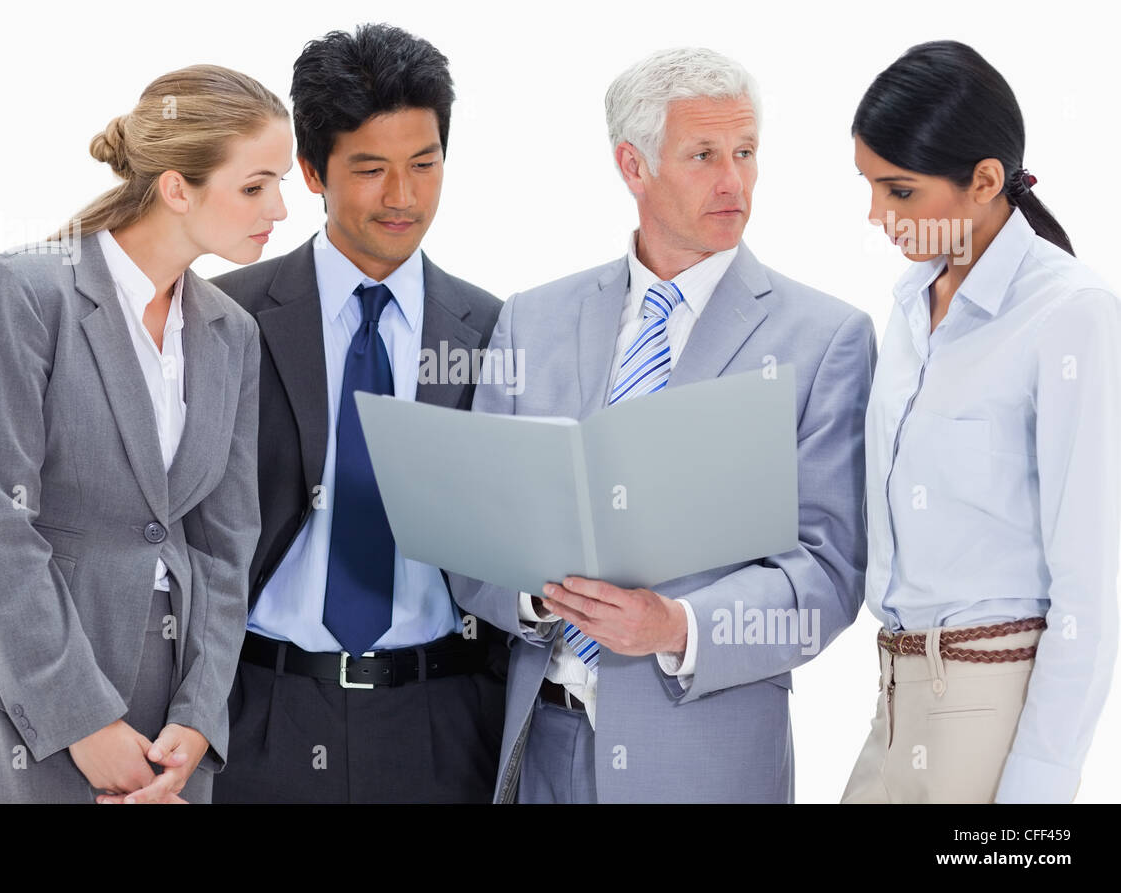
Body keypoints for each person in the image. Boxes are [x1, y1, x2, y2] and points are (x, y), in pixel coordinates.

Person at [448, 46, 877, 803]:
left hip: (704, 760)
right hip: (539, 745)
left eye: (746, 153)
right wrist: (539, 597)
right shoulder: (533, 319)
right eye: (703, 154)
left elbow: (830, 573)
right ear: (632, 165)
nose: (733, 181)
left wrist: (678, 626)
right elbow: (471, 538)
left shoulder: (826, 338)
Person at [0, 64, 291, 803]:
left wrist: (200, 719)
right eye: (257, 185)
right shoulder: (25, 292)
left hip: (174, 717)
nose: (282, 208)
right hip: (36, 692)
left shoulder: (233, 332)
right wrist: (81, 719)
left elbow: (227, 546)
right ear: (176, 187)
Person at [209, 24, 508, 803]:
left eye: (424, 164)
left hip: (442, 724)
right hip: (262, 714)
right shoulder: (226, 319)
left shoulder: (496, 331)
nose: (402, 196)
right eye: (370, 170)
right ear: (312, 170)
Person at [842, 40, 1120, 804]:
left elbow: (1091, 592)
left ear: (985, 180)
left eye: (898, 191)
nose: (876, 216)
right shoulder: (908, 308)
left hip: (989, 706)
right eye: (868, 188)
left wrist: (1037, 790)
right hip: (896, 695)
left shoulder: (1070, 315)